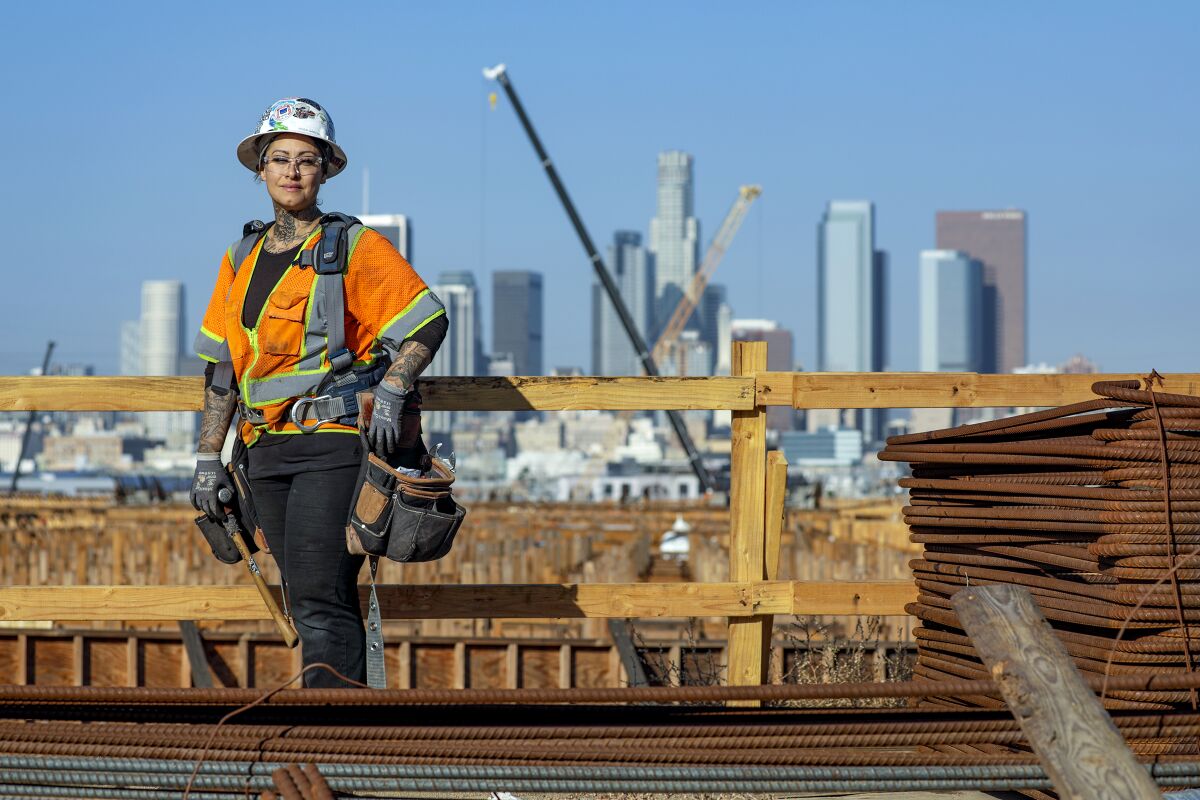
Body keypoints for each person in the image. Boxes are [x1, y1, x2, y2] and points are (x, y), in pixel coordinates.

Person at [189, 97, 447, 687]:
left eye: (307, 160)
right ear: (261, 169)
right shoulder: (241, 257)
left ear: (326, 170)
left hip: (330, 445)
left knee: (320, 595)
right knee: (306, 597)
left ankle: (331, 740)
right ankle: (333, 727)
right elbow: (222, 369)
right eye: (280, 158)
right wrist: (209, 455)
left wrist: (393, 388)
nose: (292, 171)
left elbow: (427, 321)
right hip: (263, 449)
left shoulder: (351, 247)